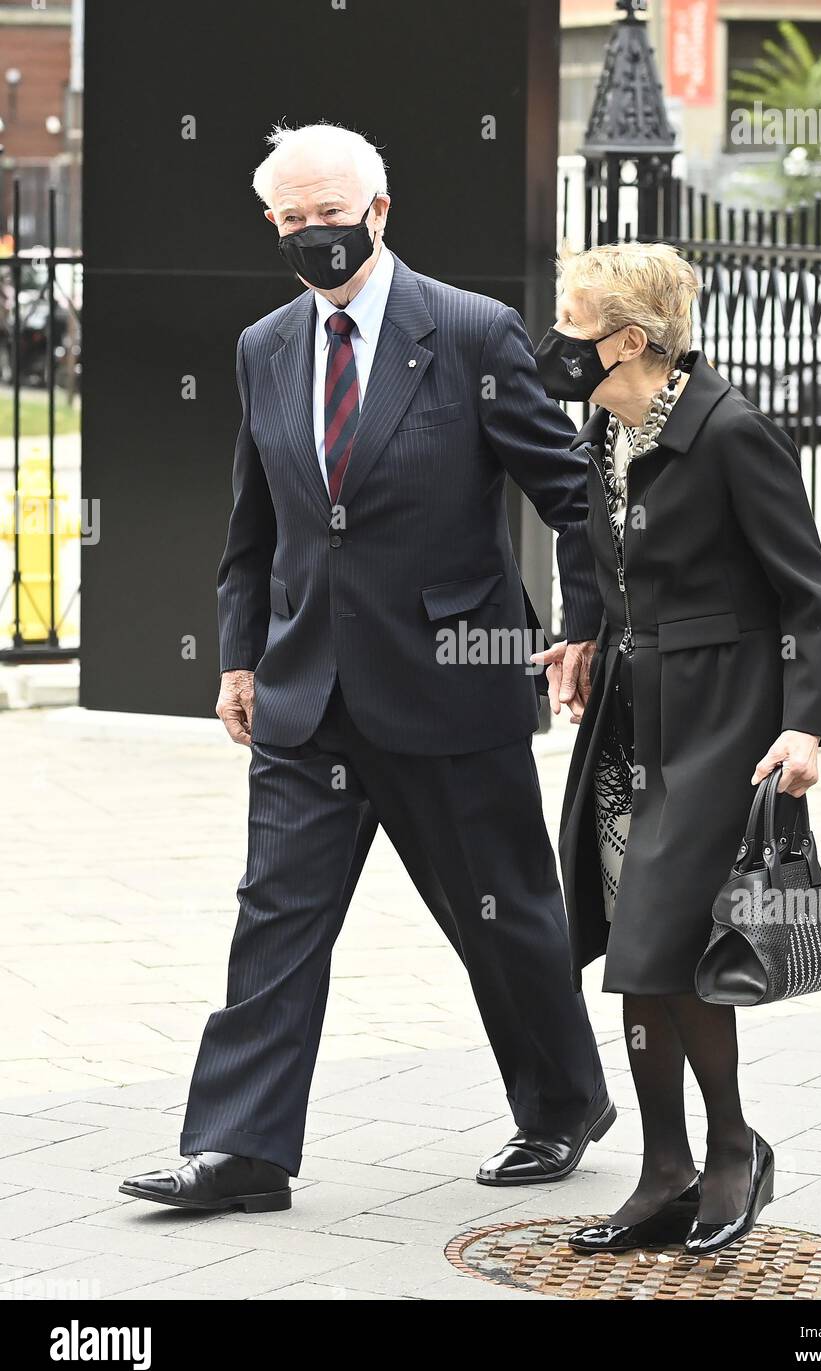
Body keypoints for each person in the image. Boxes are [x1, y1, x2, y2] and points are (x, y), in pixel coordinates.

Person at [120, 123, 615, 1214]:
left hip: (450, 683)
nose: (314, 233)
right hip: (307, 695)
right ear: (273, 227)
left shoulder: (473, 332)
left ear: (378, 211)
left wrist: (582, 629)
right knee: (275, 916)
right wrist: (239, 657)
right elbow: (255, 528)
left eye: (330, 213)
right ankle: (240, 1150)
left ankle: (561, 1104)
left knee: (502, 914)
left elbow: (570, 493)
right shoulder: (264, 348)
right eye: (292, 220)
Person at [531, 242, 821, 1256]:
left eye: (575, 326)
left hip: (717, 718)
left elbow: (807, 593)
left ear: (629, 338)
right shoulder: (604, 427)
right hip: (629, 711)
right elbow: (601, 552)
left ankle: (726, 1152)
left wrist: (804, 723)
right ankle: (665, 1165)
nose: (559, 343)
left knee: (671, 939)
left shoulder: (728, 432)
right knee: (633, 951)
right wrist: (584, 637)